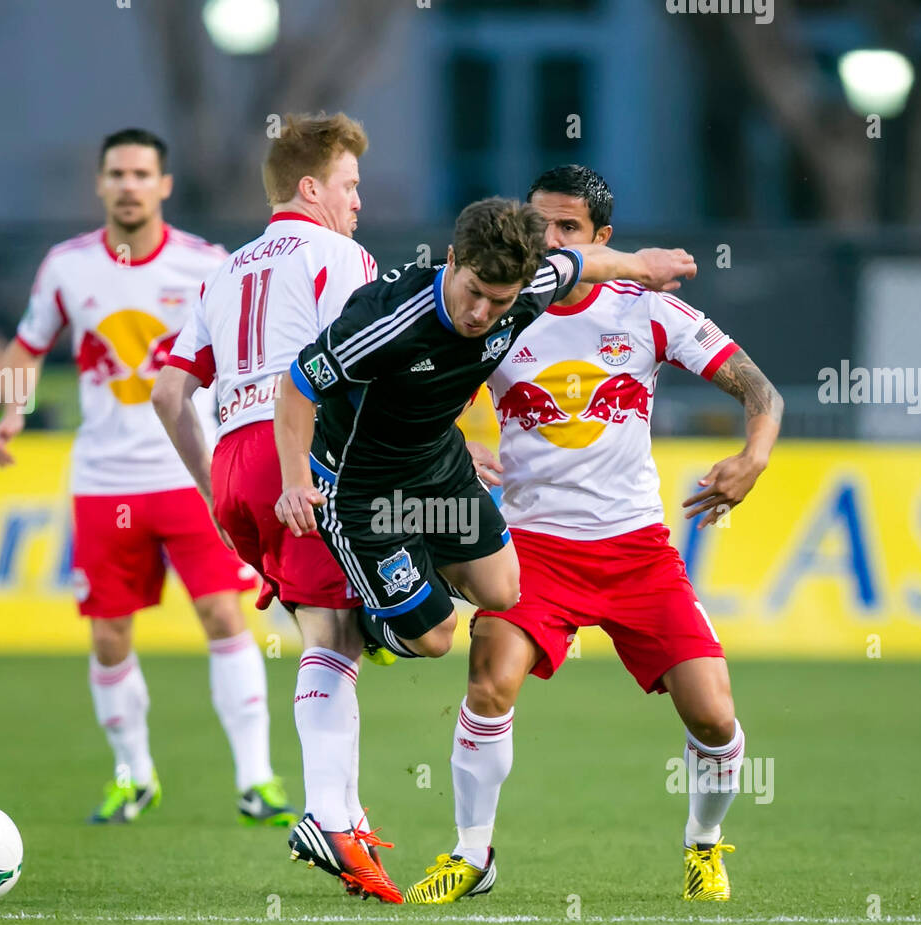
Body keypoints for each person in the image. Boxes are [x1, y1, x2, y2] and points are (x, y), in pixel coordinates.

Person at [399, 166, 784, 904]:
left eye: (567, 230)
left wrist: (753, 456)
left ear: (601, 239)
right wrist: (452, 445)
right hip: (531, 549)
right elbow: (409, 397)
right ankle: (471, 854)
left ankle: (704, 845)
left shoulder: (647, 313)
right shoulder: (502, 309)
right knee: (488, 681)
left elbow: (763, 391)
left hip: (636, 551)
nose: (548, 242)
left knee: (713, 712)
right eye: (538, 225)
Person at [0, 128, 284, 828]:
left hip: (191, 472)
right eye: (116, 173)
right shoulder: (66, 267)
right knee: (109, 635)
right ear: (101, 184)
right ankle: (134, 775)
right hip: (103, 480)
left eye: (141, 173)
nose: (128, 184)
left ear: (164, 185)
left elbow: (243, 344)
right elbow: (27, 346)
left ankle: (257, 780)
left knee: (223, 614)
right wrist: (8, 410)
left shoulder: (206, 263)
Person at [273, 196, 696, 671]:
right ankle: (370, 623)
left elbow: (582, 262)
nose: (480, 313)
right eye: (473, 291)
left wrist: (640, 265)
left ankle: (408, 574)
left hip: (438, 466)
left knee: (503, 592)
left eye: (499, 301)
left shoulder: (530, 285)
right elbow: (295, 386)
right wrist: (294, 482)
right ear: (452, 260)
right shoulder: (386, 320)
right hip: (361, 490)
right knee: (435, 637)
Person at [153, 113, 402, 903]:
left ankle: (349, 816)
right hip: (300, 457)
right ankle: (328, 817)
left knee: (338, 633)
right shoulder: (340, 256)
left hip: (232, 464)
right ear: (310, 187)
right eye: (349, 185)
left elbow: (168, 392)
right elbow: (370, 366)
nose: (357, 202)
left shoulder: (221, 273)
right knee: (334, 638)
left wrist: (213, 491)